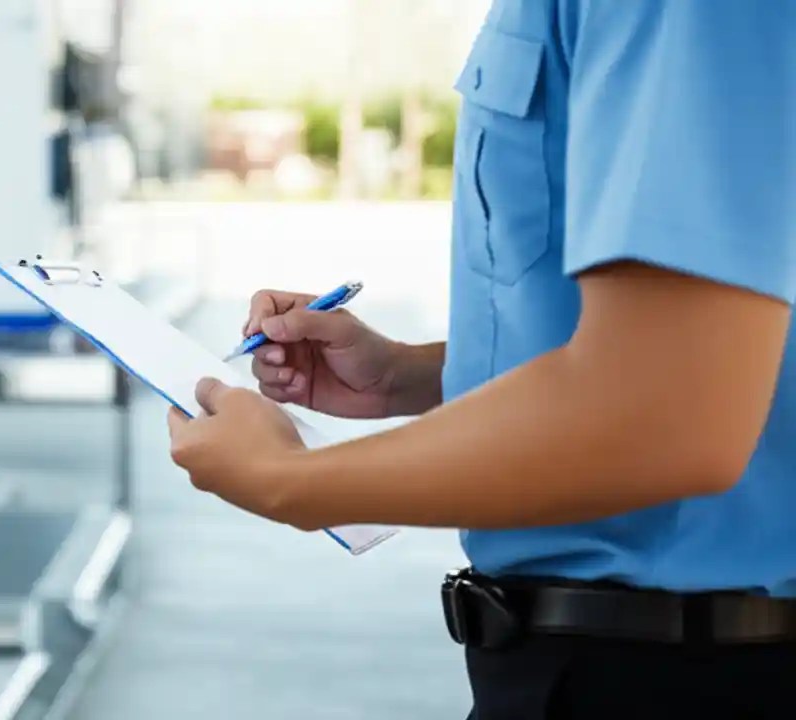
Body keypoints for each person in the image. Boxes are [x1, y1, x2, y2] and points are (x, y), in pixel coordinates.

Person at [166, 3, 796, 718]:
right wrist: (409, 376)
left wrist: (288, 480)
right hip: (602, 662)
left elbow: (671, 411)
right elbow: (707, 345)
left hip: (673, 676)